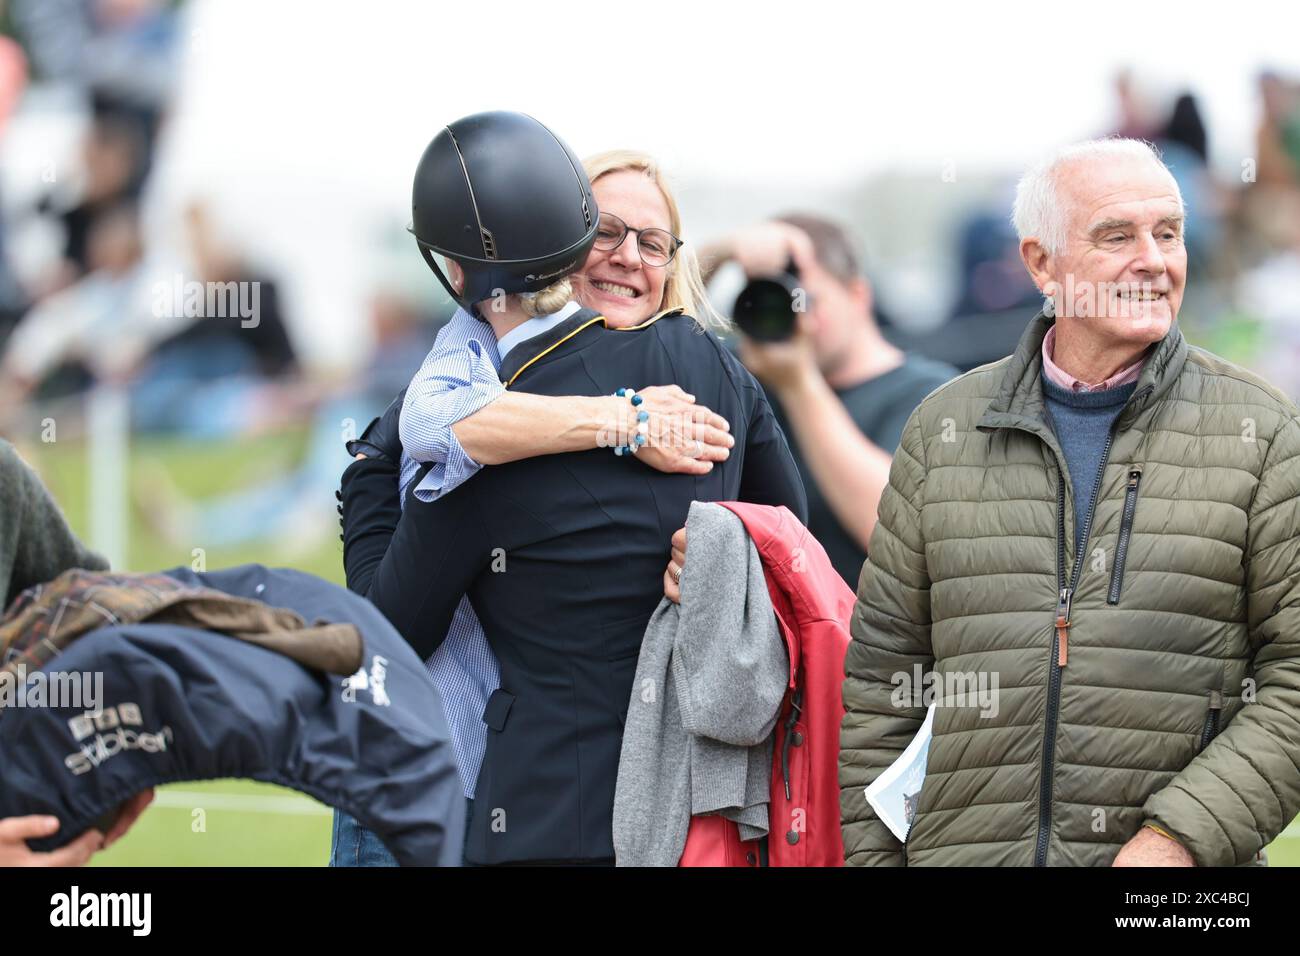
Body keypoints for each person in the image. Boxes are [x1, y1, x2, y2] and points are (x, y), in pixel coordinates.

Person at [342, 112, 806, 865]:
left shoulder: (495, 402)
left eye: (652, 243)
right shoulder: (721, 376)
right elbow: (794, 534)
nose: (628, 257)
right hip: (702, 816)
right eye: (608, 232)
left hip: (545, 805)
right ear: (560, 236)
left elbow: (391, 631)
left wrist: (364, 479)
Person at [840, 137, 1300, 867]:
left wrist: (1178, 841)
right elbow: (881, 680)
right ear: (1041, 264)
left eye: (1169, 234)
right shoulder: (943, 428)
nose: (1153, 258)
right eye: (1117, 236)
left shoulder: (1263, 429)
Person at [702, 215, 956, 587]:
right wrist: (723, 251)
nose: (795, 318)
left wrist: (799, 383)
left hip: (866, 638)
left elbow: (895, 532)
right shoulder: (747, 374)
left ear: (858, 295)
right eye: (778, 302)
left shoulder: (933, 394)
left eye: (807, 300)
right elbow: (657, 323)